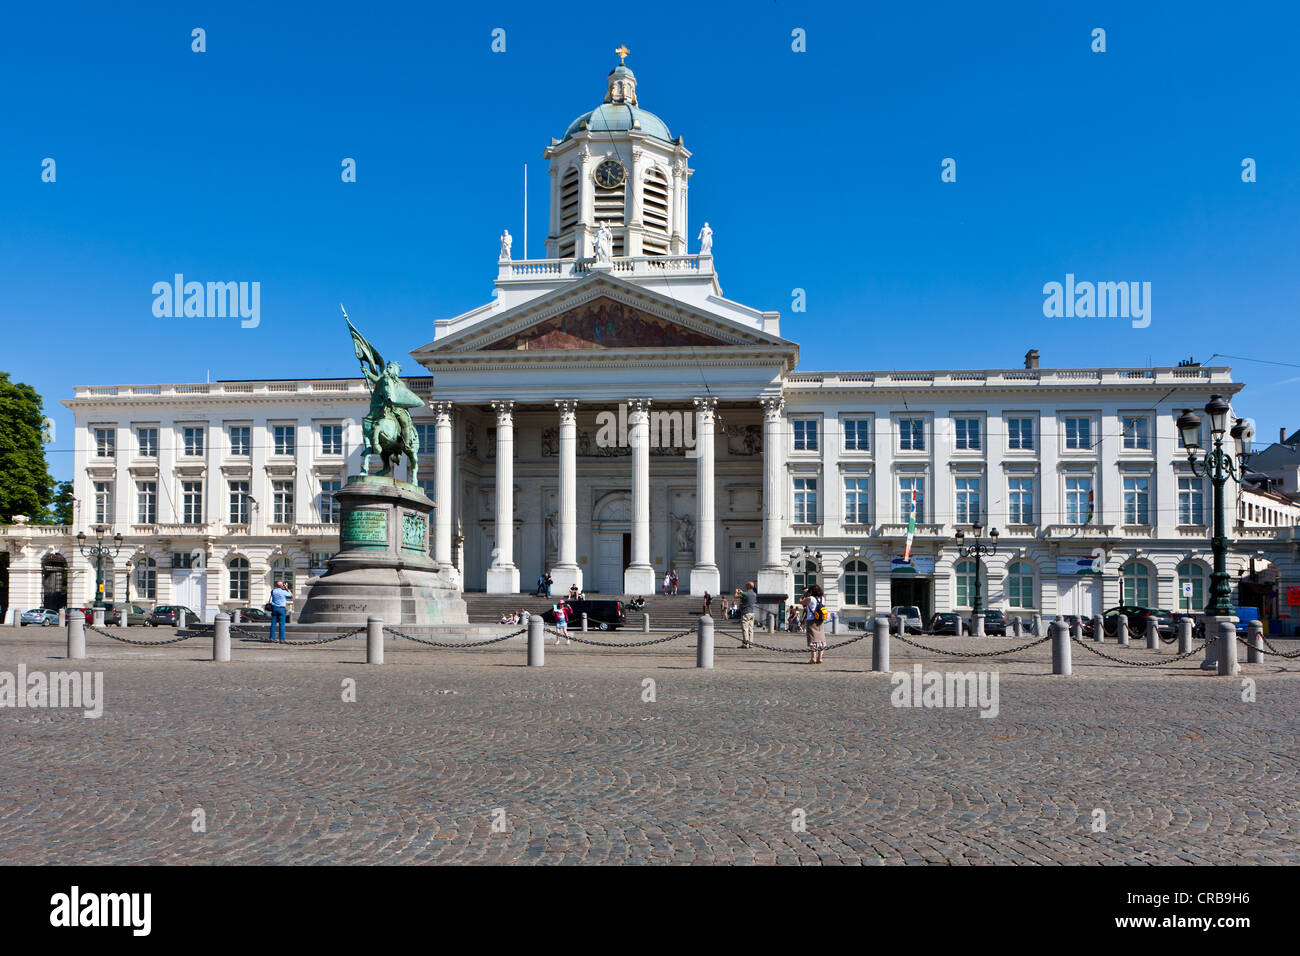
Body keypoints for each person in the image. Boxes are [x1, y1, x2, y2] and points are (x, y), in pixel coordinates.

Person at [803, 584, 827, 664]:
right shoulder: (822, 599)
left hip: (811, 621)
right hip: (820, 620)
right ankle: (820, 658)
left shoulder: (810, 598)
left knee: (813, 640)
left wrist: (805, 594)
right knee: (821, 640)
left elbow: (801, 602)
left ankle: (813, 658)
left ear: (812, 591)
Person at [739, 580, 757, 648]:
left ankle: (745, 644)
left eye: (747, 585)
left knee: (745, 628)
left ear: (749, 586)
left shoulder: (746, 593)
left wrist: (738, 592)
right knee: (751, 629)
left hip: (746, 612)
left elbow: (736, 596)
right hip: (752, 612)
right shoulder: (754, 594)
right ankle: (751, 643)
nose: (745, 586)